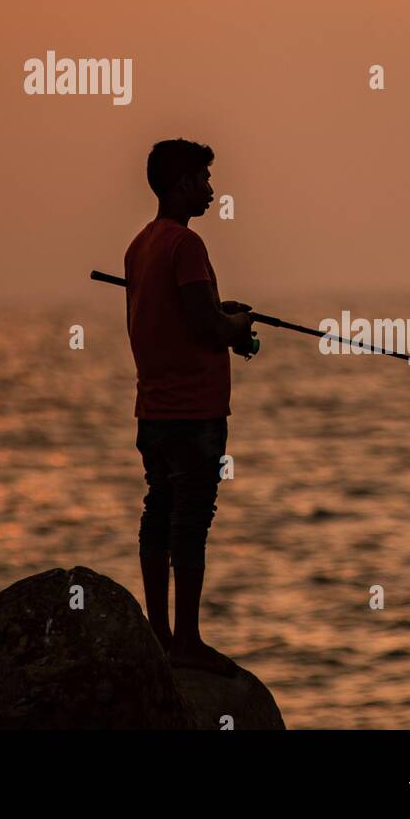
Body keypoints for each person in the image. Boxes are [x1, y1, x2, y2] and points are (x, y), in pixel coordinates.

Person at [124, 138, 256, 677]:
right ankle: (188, 641)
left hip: (152, 410)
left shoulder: (140, 245)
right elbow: (206, 325)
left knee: (159, 511)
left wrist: (219, 315)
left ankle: (159, 632)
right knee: (191, 522)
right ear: (180, 183)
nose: (210, 188)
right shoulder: (187, 245)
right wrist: (239, 328)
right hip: (194, 412)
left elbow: (176, 314)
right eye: (203, 178)